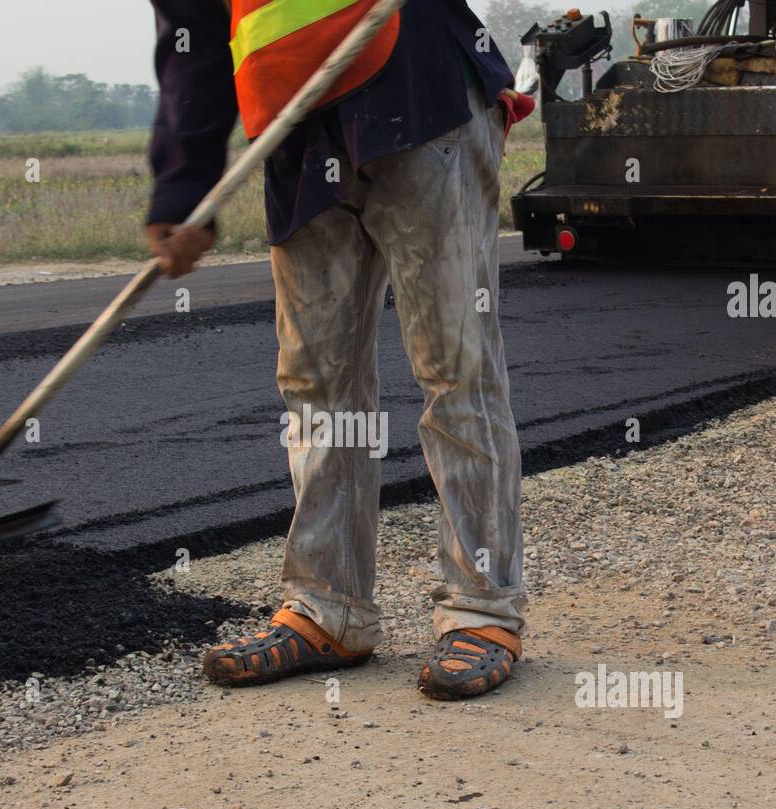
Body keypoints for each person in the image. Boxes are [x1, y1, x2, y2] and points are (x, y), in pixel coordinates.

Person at [144, 0, 535, 700]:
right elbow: (194, 39)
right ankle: (329, 609)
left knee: (454, 364)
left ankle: (483, 609)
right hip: (300, 138)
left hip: (420, 99)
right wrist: (182, 187)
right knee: (316, 381)